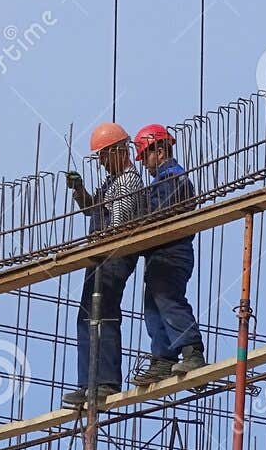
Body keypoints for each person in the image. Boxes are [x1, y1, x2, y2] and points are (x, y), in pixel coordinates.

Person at [61, 121, 145, 408]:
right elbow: (92, 210)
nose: (102, 163)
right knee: (87, 316)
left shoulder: (127, 181)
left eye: (104, 156)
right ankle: (88, 383)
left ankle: (106, 382)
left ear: (119, 151)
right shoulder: (111, 183)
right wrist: (79, 190)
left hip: (114, 254)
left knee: (105, 314)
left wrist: (104, 241)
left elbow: (118, 223)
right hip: (100, 254)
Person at [130, 123, 205, 387]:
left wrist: (137, 220)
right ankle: (163, 358)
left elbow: (159, 213)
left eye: (146, 156)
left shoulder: (174, 178)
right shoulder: (161, 180)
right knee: (153, 305)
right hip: (158, 255)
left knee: (168, 299)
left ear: (160, 151)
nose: (145, 164)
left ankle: (192, 351)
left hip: (173, 252)